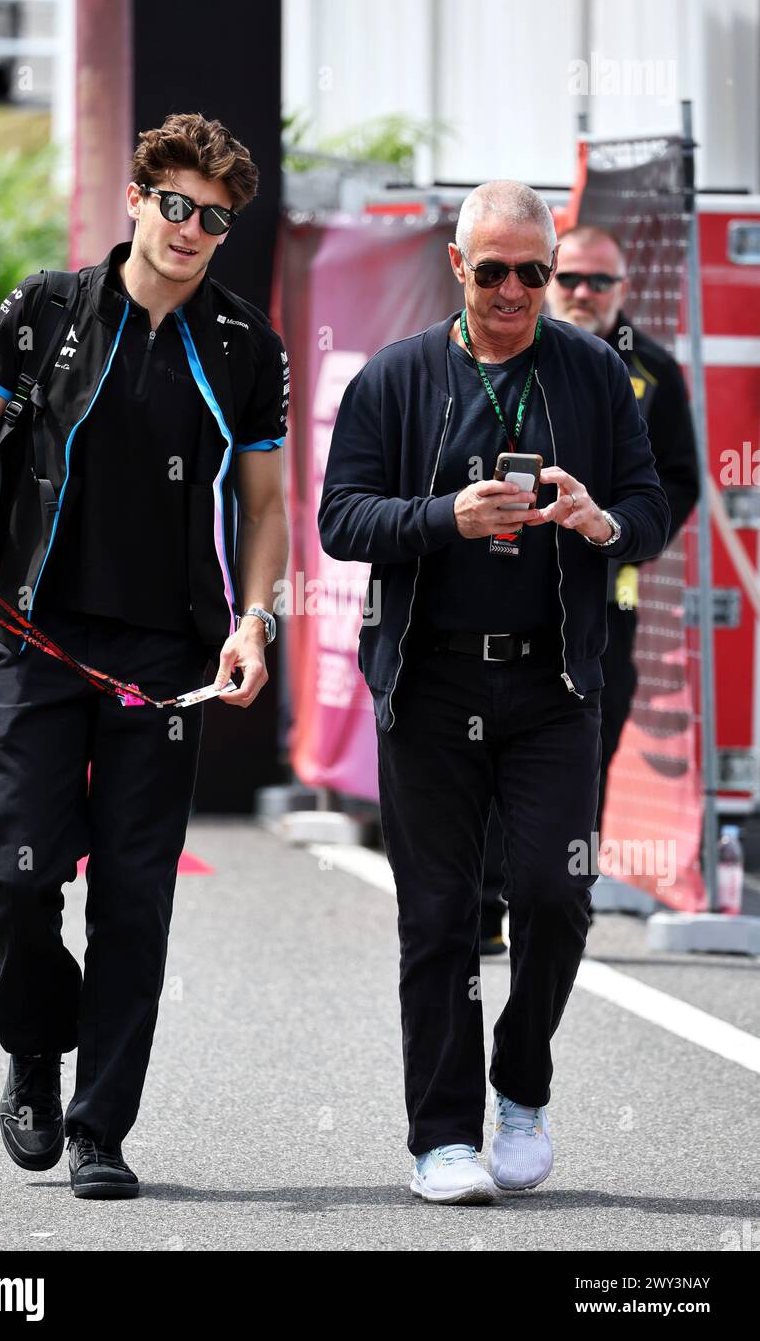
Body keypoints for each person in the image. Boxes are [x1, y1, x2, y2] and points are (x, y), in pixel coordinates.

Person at [0, 113, 289, 1199]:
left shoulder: (243, 345)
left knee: (136, 897)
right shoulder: (46, 309)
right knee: (18, 879)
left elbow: (266, 506)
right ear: (136, 198)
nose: (190, 228)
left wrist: (254, 617)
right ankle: (37, 1048)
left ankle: (100, 1126)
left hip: (168, 656)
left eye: (213, 217)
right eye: (174, 204)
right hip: (40, 636)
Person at [319, 181, 669, 1205]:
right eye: (495, 269)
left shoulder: (597, 374)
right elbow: (344, 518)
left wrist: (600, 521)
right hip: (427, 682)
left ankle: (522, 1084)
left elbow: (649, 506)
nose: (515, 289)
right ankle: (441, 1136)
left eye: (534, 271)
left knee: (556, 896)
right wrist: (445, 517)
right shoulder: (395, 377)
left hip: (553, 681)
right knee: (437, 918)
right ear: (457, 266)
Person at [480, 225, 700, 951]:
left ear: (622, 291)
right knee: (479, 746)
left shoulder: (652, 371)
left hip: (607, 599)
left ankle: (555, 902)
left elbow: (679, 482)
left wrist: (613, 524)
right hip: (498, 585)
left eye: (597, 282)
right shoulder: (504, 349)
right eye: (568, 277)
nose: (580, 293)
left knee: (583, 750)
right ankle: (480, 907)